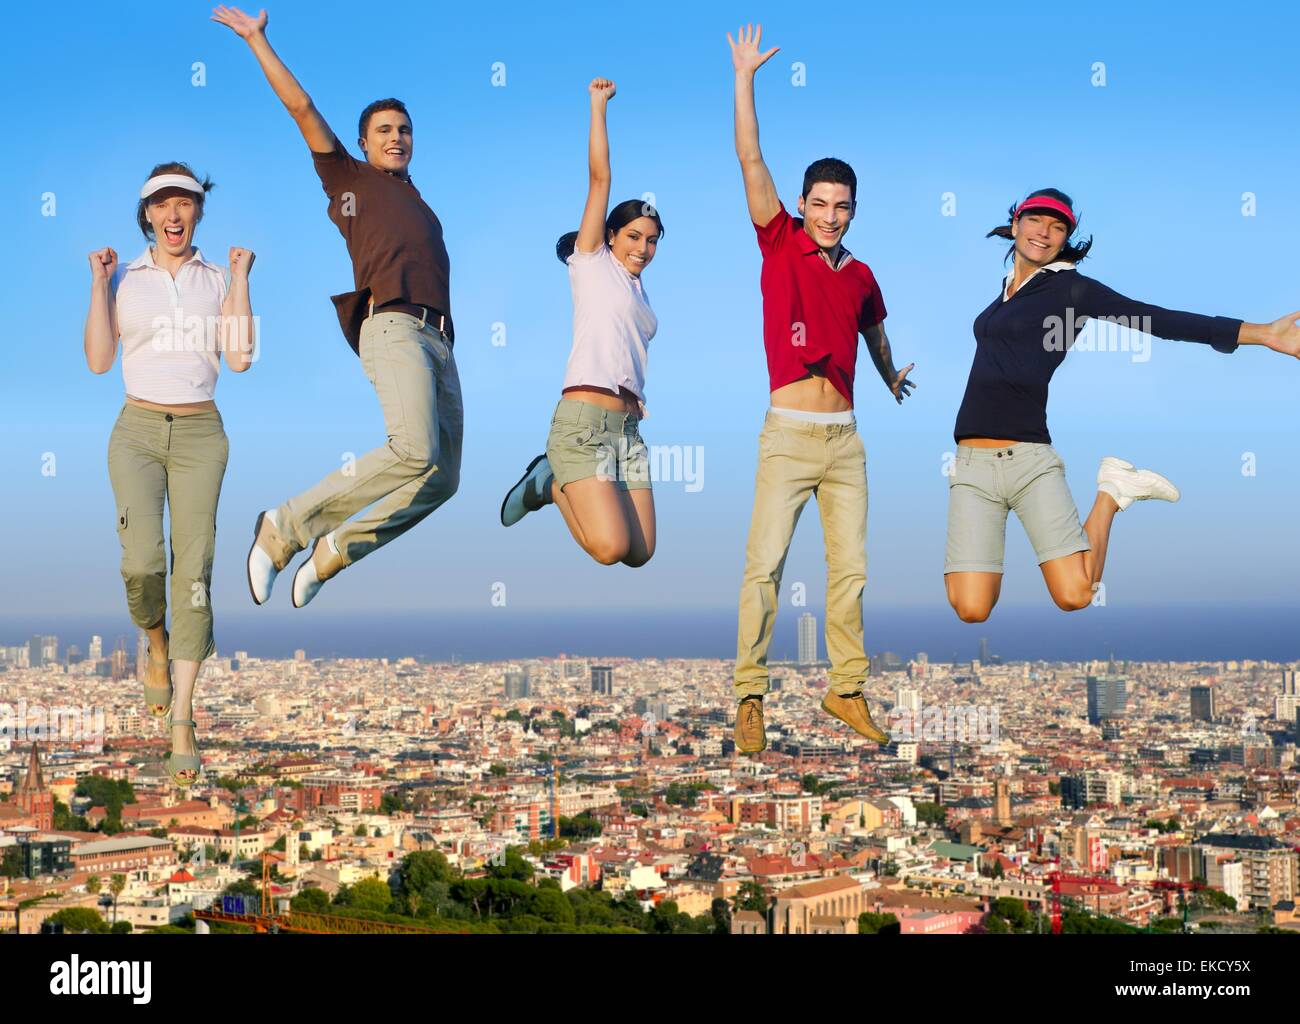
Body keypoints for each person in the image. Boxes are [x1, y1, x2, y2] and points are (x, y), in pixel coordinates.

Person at [944, 187, 1300, 623]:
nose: (1044, 232)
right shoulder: (1005, 293)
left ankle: (1112, 492)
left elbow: (1158, 320)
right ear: (1016, 223)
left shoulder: (1072, 290)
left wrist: (1262, 333)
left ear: (1066, 238)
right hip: (971, 464)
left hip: (1028, 458)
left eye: (1058, 227)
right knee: (971, 608)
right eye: (1035, 220)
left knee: (1075, 595)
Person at [213, 5, 461, 608]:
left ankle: (334, 550)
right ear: (362, 143)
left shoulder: (419, 201)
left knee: (443, 478)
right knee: (413, 450)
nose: (396, 137)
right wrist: (257, 41)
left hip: (441, 342)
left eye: (404, 129)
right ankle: (284, 528)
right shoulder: (348, 178)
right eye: (384, 130)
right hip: (393, 324)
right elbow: (301, 108)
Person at [728, 25, 915, 755]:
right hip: (788, 433)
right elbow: (750, 156)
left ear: (854, 210)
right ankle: (749, 696)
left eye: (842, 205)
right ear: (803, 203)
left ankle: (847, 689)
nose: (831, 215)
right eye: (821, 202)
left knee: (852, 571)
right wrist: (745, 78)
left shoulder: (863, 274)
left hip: (846, 440)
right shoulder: (779, 239)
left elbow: (874, 331)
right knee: (765, 566)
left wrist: (890, 375)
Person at [84, 161, 256, 786]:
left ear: (198, 211)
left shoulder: (217, 278)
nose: (174, 213)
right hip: (135, 428)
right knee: (142, 563)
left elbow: (240, 358)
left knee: (195, 570)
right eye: (163, 203)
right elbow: (99, 361)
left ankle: (182, 716)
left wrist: (241, 280)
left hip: (200, 434)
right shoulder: (125, 277)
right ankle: (155, 645)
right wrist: (98, 283)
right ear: (149, 215)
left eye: (185, 201)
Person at [499, 77, 661, 568]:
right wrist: (598, 106)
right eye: (633, 236)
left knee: (640, 553)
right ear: (610, 236)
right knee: (610, 548)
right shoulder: (591, 264)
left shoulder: (639, 292)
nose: (642, 248)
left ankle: (556, 480)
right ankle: (548, 481)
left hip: (627, 432)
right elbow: (599, 179)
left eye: (652, 240)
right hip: (584, 424)